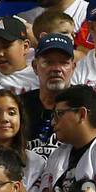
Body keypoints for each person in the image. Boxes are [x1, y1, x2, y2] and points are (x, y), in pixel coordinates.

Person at [21, 32, 79, 164]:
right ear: (35, 67)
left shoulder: (85, 105)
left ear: (73, 67)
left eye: (64, 63)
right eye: (48, 62)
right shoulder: (18, 106)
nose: (57, 69)